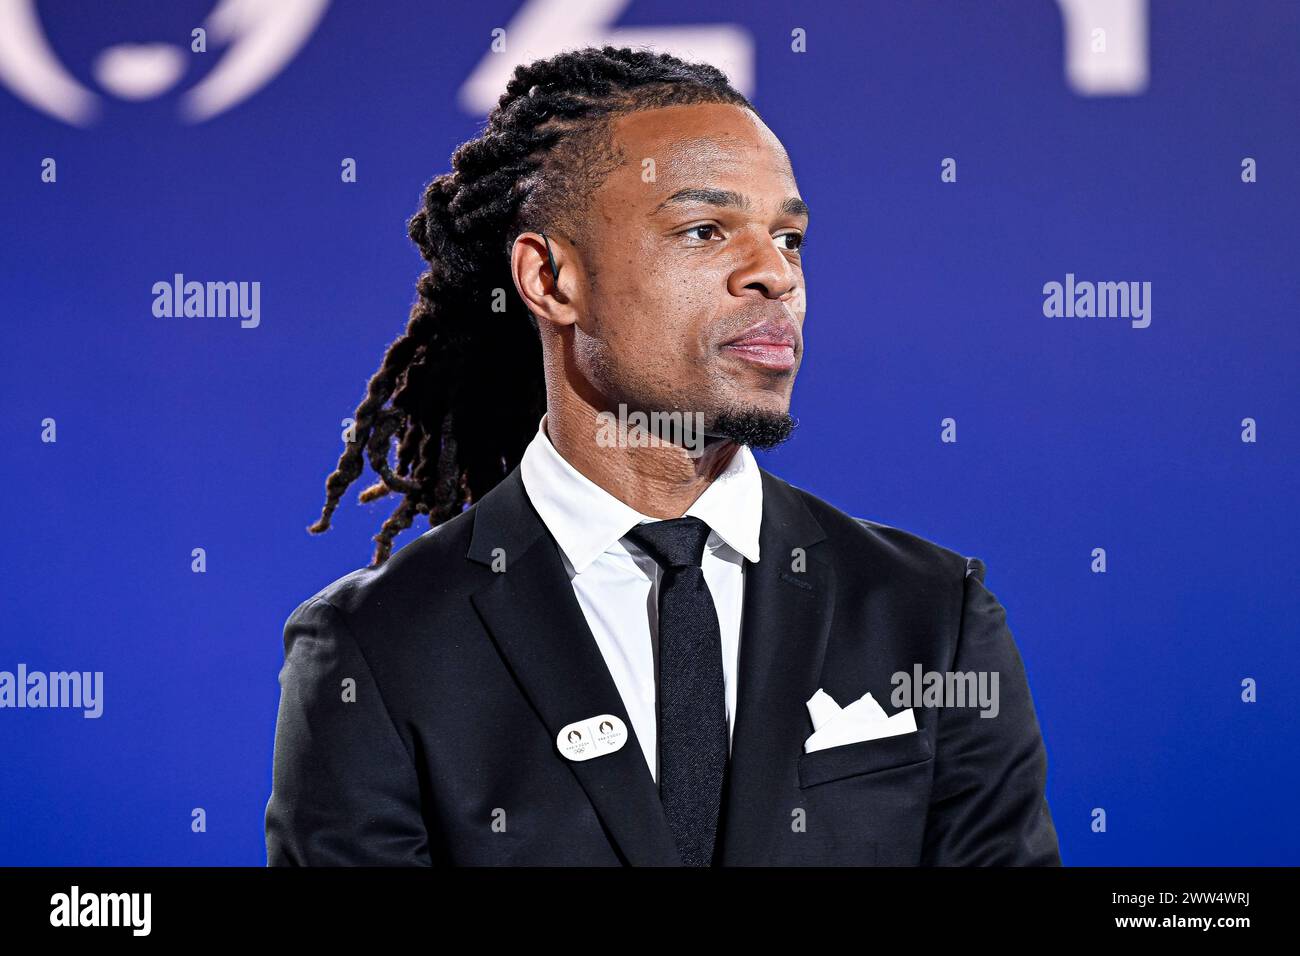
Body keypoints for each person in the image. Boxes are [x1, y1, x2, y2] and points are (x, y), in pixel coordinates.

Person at [264, 45, 1061, 866]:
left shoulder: (932, 614)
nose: (773, 275)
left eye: (789, 238)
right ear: (550, 278)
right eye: (704, 229)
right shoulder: (375, 646)